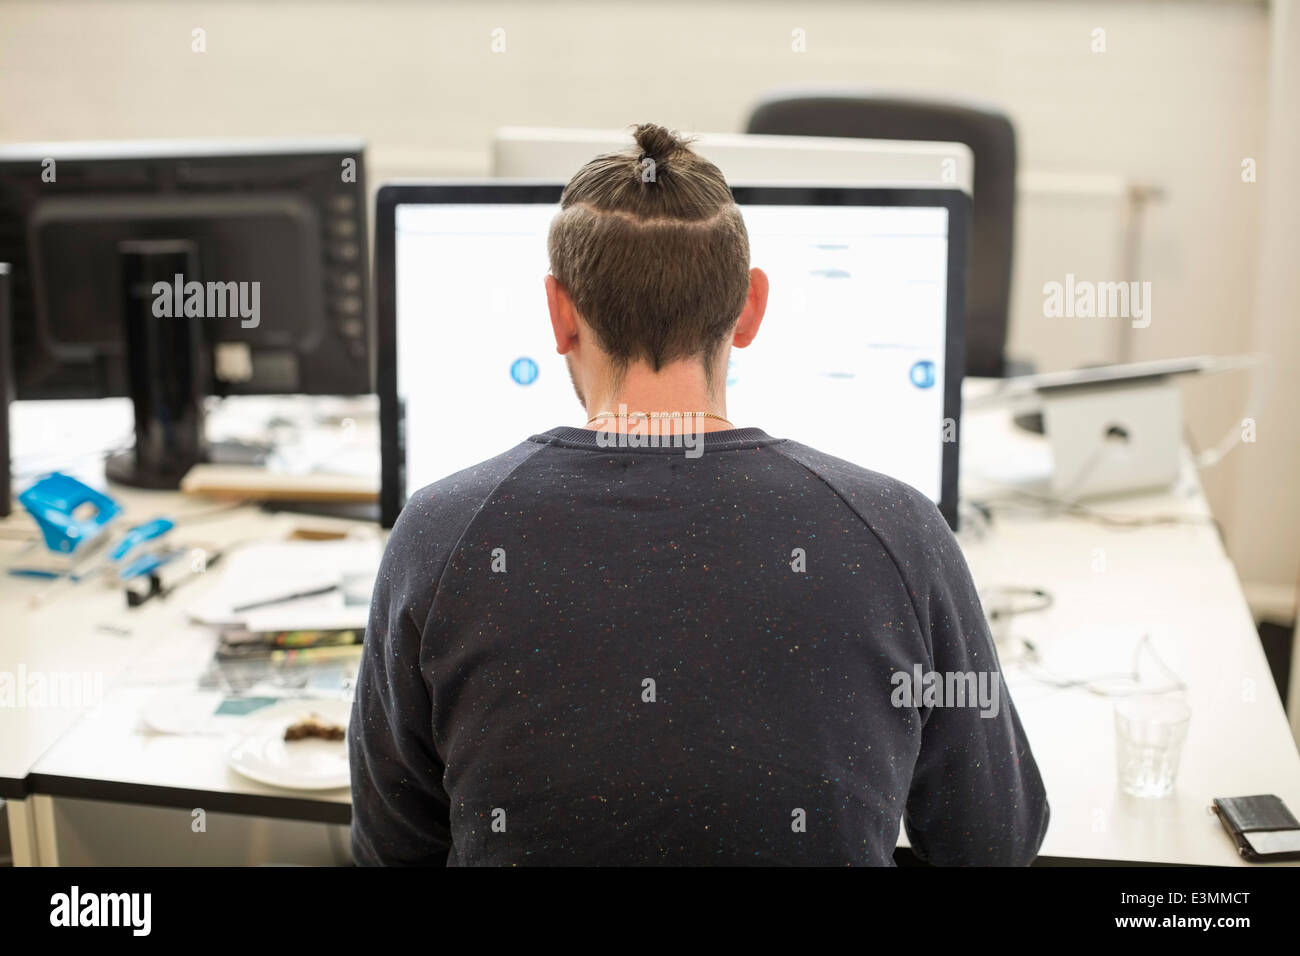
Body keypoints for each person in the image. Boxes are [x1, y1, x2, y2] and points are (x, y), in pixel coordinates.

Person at [350, 123, 1049, 865]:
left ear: (559, 314)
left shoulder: (438, 536)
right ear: (752, 308)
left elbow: (395, 851)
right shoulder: (901, 532)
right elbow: (993, 841)